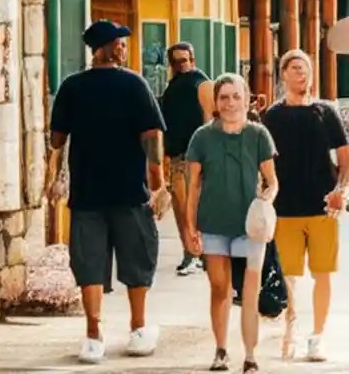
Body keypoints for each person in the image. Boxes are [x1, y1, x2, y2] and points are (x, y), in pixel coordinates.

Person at [44, 20, 166, 364]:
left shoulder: (71, 87)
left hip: (87, 191)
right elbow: (152, 138)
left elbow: (56, 140)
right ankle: (138, 329)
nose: (123, 47)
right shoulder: (134, 85)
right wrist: (158, 185)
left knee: (89, 263)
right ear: (103, 48)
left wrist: (54, 179)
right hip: (129, 190)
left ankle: (94, 336)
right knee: (137, 259)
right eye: (119, 42)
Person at [185, 74, 278, 373]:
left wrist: (267, 199)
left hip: (250, 226)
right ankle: (221, 350)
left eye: (236, 96)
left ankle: (250, 356)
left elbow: (273, 181)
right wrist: (190, 227)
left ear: (247, 98)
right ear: (216, 101)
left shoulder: (259, 135)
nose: (230, 103)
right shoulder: (202, 137)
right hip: (212, 224)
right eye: (223, 97)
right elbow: (193, 187)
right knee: (220, 289)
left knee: (251, 291)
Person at [261, 49, 349, 362]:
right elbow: (263, 160)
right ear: (283, 74)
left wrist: (341, 190)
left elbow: (344, 157)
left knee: (323, 273)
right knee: (289, 275)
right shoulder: (272, 115)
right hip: (285, 207)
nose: (302, 74)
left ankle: (318, 336)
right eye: (296, 68)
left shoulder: (326, 111)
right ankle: (292, 326)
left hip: (323, 205)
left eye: (306, 69)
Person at [159, 42, 216, 276]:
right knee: (182, 208)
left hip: (195, 158)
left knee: (195, 208)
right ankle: (192, 253)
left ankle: (198, 254)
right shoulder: (173, 87)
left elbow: (210, 118)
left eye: (184, 60)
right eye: (175, 61)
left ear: (192, 60)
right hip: (176, 157)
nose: (180, 65)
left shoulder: (200, 83)